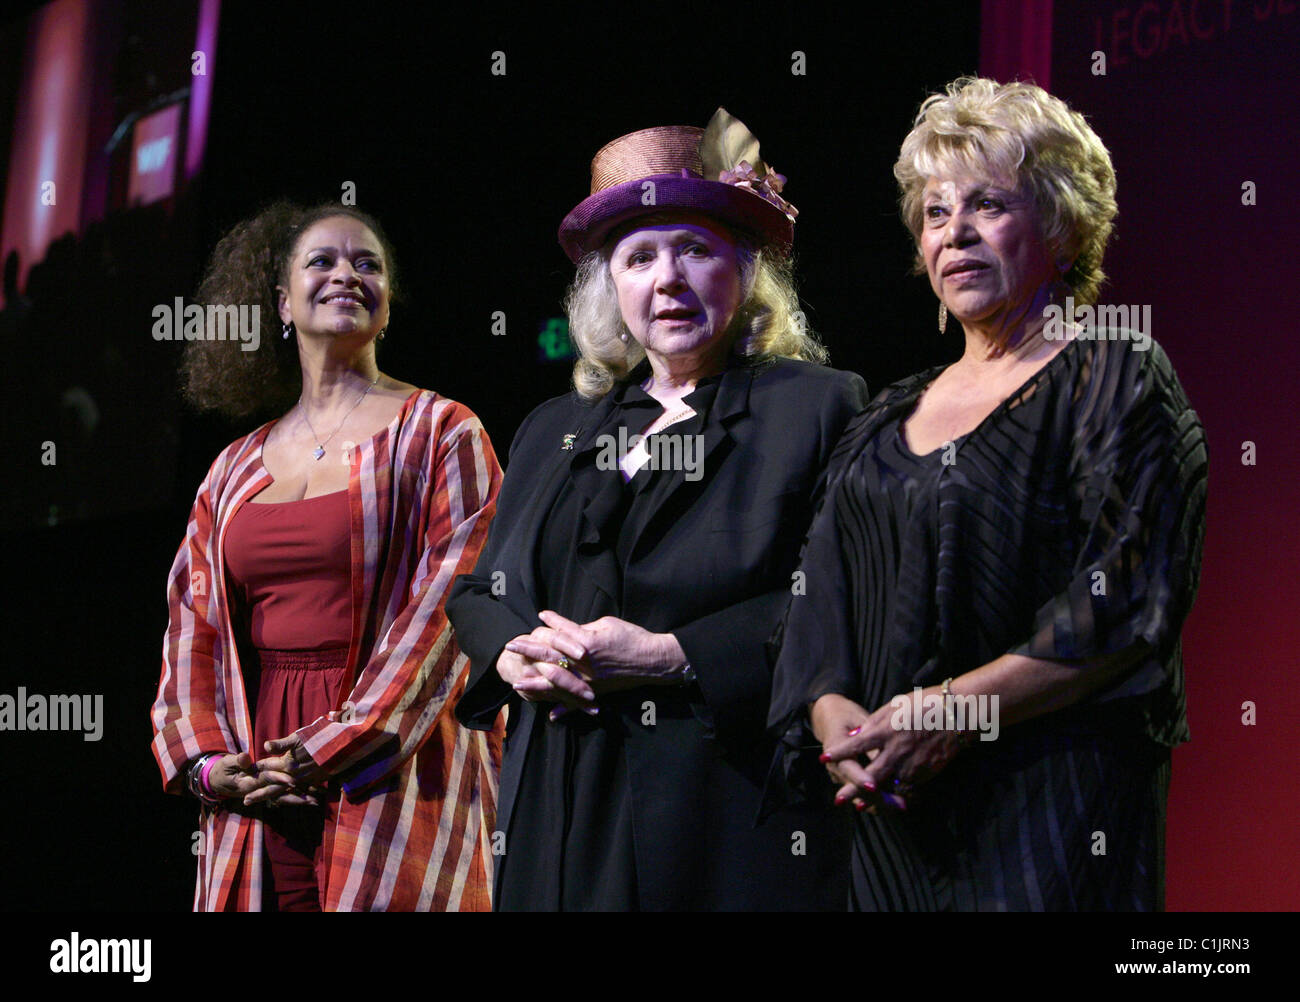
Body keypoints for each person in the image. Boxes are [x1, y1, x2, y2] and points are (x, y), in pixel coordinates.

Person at [768, 77, 1208, 911]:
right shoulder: (881, 417)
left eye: (989, 205)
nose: (956, 232)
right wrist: (839, 730)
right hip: (889, 822)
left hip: (1053, 815)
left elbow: (1126, 605)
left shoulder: (1112, 373)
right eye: (936, 213)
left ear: (1064, 227)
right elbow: (814, 609)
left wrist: (952, 713)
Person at [446, 109, 869, 910]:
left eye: (695, 250)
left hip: (718, 805)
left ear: (745, 272)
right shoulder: (553, 428)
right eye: (638, 257)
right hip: (560, 804)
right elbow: (481, 593)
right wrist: (510, 654)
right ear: (610, 285)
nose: (667, 279)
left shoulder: (813, 407)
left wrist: (676, 654)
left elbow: (841, 605)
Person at [150, 201, 503, 910]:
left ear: (389, 305)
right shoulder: (232, 469)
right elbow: (194, 627)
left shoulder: (440, 432)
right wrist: (209, 762)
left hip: (393, 766)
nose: (347, 273)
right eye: (324, 261)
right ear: (282, 303)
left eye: (367, 263)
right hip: (260, 768)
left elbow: (454, 607)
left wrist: (339, 745)